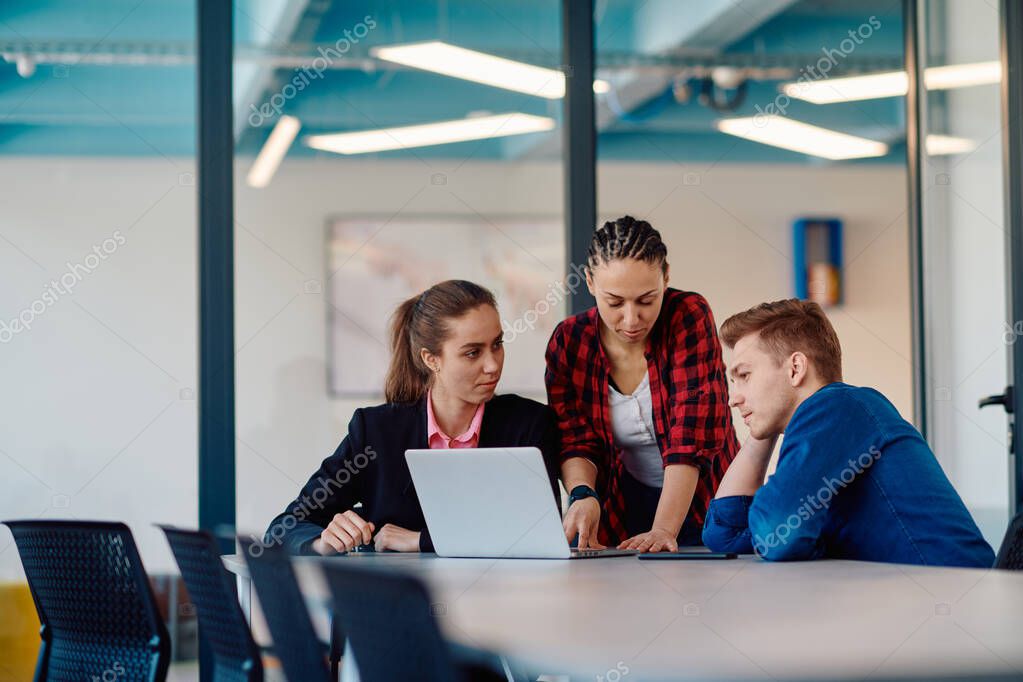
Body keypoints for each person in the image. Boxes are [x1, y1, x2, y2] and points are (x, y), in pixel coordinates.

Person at [265, 280, 560, 555]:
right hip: (400, 606)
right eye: (473, 353)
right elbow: (282, 529)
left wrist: (419, 540)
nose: (493, 365)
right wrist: (322, 542)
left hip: (499, 604)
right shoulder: (376, 432)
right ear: (431, 359)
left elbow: (539, 535)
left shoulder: (530, 425)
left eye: (497, 344)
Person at [702, 298, 995, 567]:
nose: (733, 398)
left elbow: (774, 535)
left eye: (744, 376)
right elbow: (724, 536)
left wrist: (805, 541)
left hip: (955, 595)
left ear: (795, 368)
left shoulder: (836, 406)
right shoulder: (830, 427)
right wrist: (759, 436)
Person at [545, 216, 739, 553]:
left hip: (706, 503)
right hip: (623, 504)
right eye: (615, 302)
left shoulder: (688, 316)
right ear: (589, 282)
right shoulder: (570, 341)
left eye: (647, 300)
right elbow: (575, 440)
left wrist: (664, 529)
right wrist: (583, 494)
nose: (632, 319)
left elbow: (689, 437)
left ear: (666, 276)